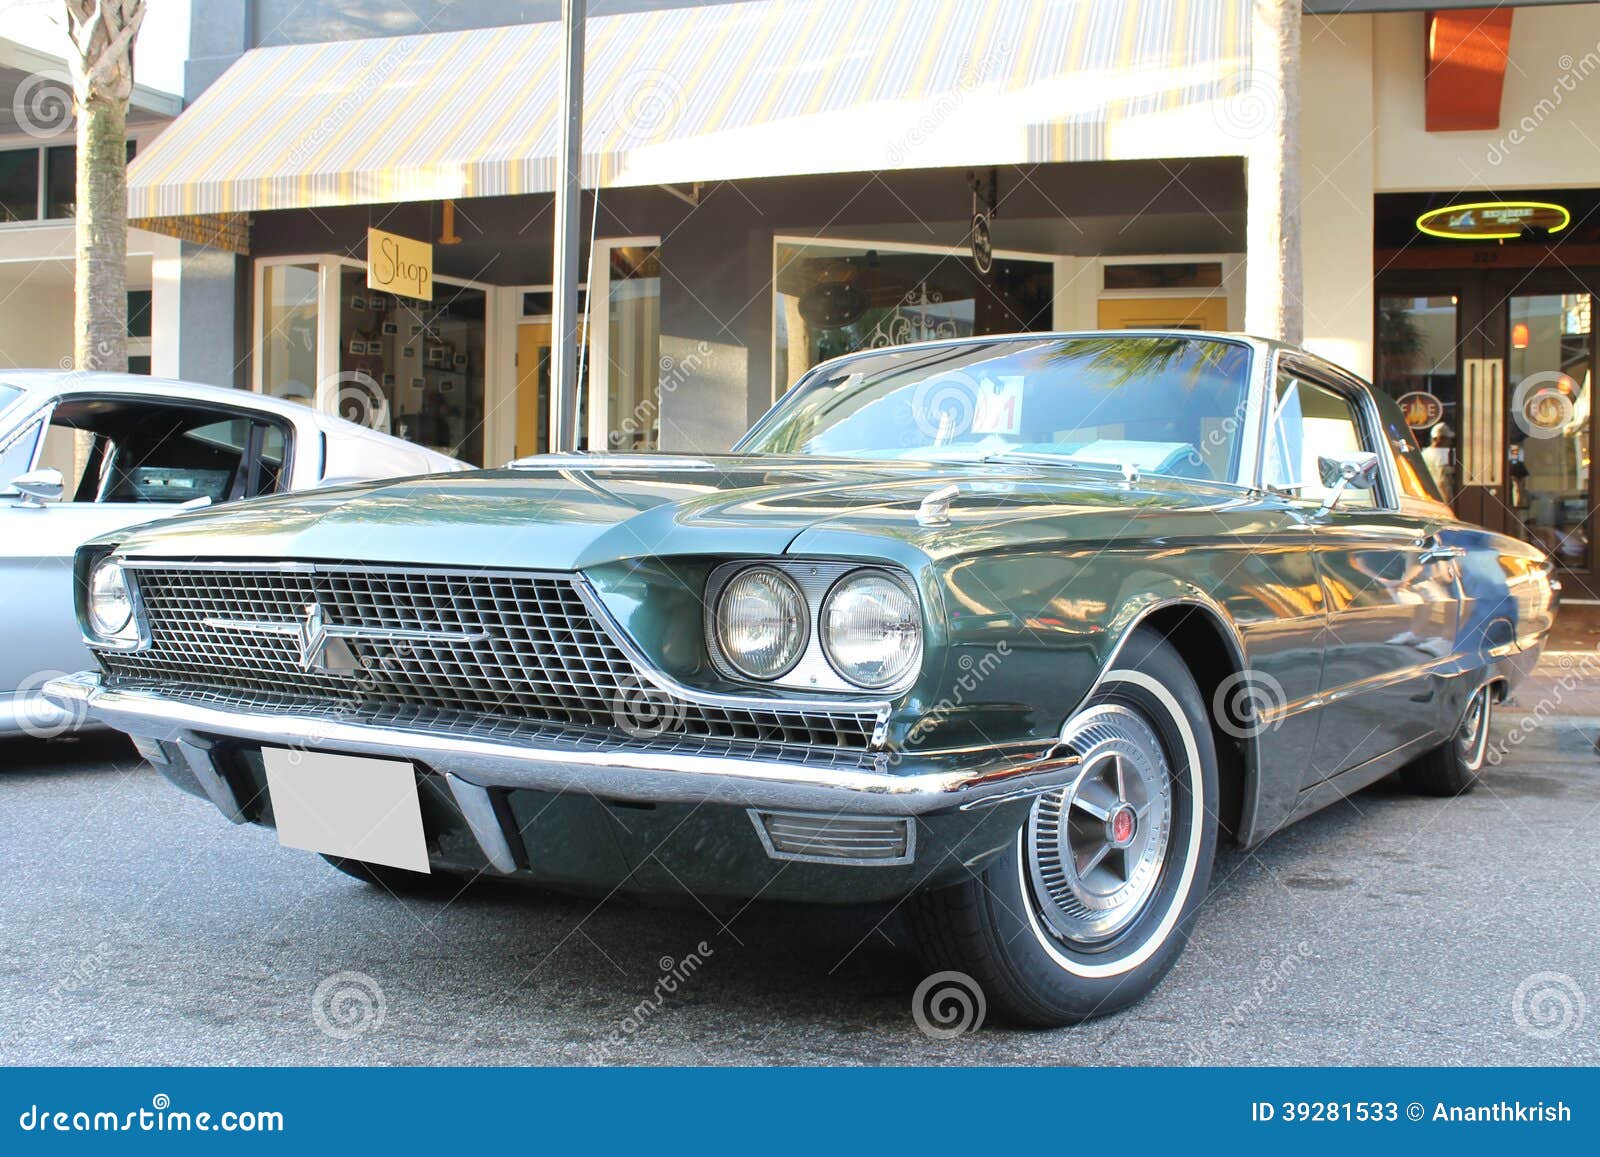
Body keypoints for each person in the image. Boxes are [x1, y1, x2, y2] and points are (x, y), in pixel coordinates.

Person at [1421, 421, 1457, 500]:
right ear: (1439, 439)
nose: (1450, 442)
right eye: (1448, 439)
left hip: (1427, 495)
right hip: (1441, 497)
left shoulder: (1424, 453)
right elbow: (1442, 481)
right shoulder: (1441, 456)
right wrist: (1447, 500)